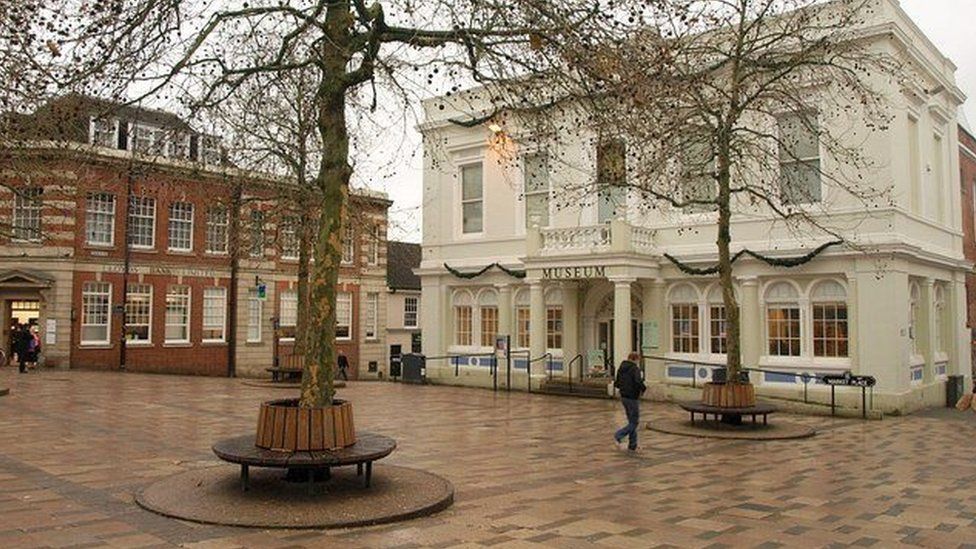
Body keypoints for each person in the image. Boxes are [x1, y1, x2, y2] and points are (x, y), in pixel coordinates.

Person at [613, 352, 646, 452]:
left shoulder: (621, 368)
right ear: (635, 359)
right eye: (638, 360)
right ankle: (619, 434)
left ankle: (633, 445)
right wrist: (643, 388)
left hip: (624, 397)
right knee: (634, 422)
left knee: (631, 421)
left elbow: (617, 383)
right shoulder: (634, 369)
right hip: (632, 397)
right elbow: (638, 382)